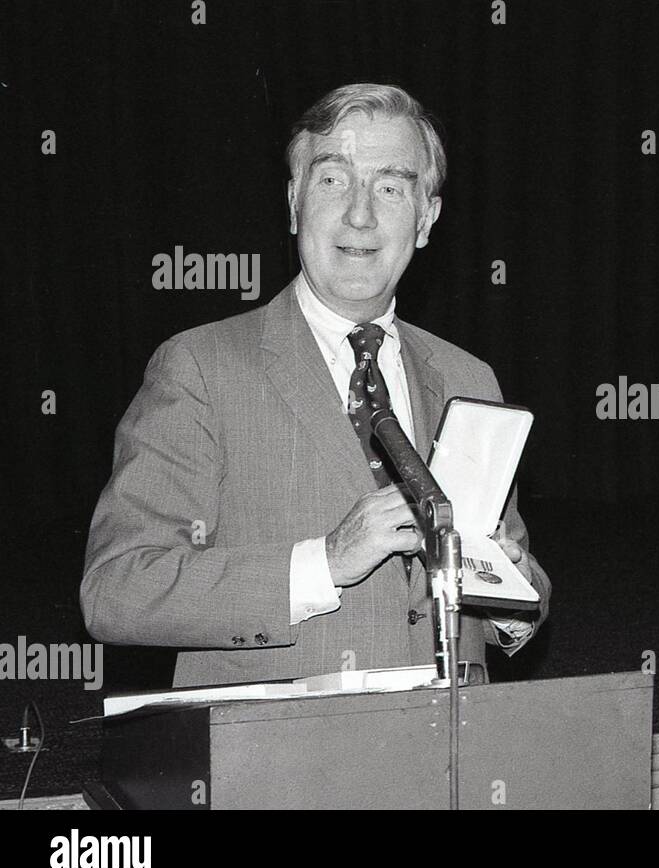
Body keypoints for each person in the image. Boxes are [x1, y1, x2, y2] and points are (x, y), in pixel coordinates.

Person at [82, 83, 549, 688]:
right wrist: (324, 563)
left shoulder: (468, 376)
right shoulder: (199, 367)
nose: (361, 213)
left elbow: (518, 583)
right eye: (333, 180)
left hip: (448, 759)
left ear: (426, 218)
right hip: (277, 766)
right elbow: (117, 590)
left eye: (390, 186)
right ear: (294, 203)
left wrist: (511, 597)